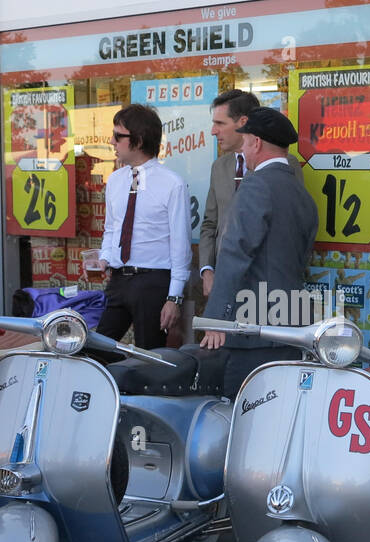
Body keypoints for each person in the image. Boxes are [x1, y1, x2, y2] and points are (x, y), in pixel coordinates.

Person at [201, 108, 318, 398]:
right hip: (292, 321)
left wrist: (215, 319)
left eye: (244, 143)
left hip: (255, 329)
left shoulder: (256, 185)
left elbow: (234, 253)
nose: (242, 150)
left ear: (256, 143)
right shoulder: (300, 192)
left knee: (243, 415)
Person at [94, 104, 190, 350]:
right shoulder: (115, 180)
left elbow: (180, 245)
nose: (111, 141)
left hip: (153, 281)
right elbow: (112, 229)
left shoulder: (172, 184)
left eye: (118, 136)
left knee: (149, 356)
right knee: (97, 349)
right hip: (119, 278)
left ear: (137, 141)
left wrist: (174, 298)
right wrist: (104, 258)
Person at [198, 90, 303, 297]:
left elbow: (294, 227)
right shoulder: (219, 167)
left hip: (267, 287)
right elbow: (210, 223)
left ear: (242, 122)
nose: (213, 131)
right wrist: (207, 270)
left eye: (220, 123)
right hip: (223, 282)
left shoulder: (284, 165)